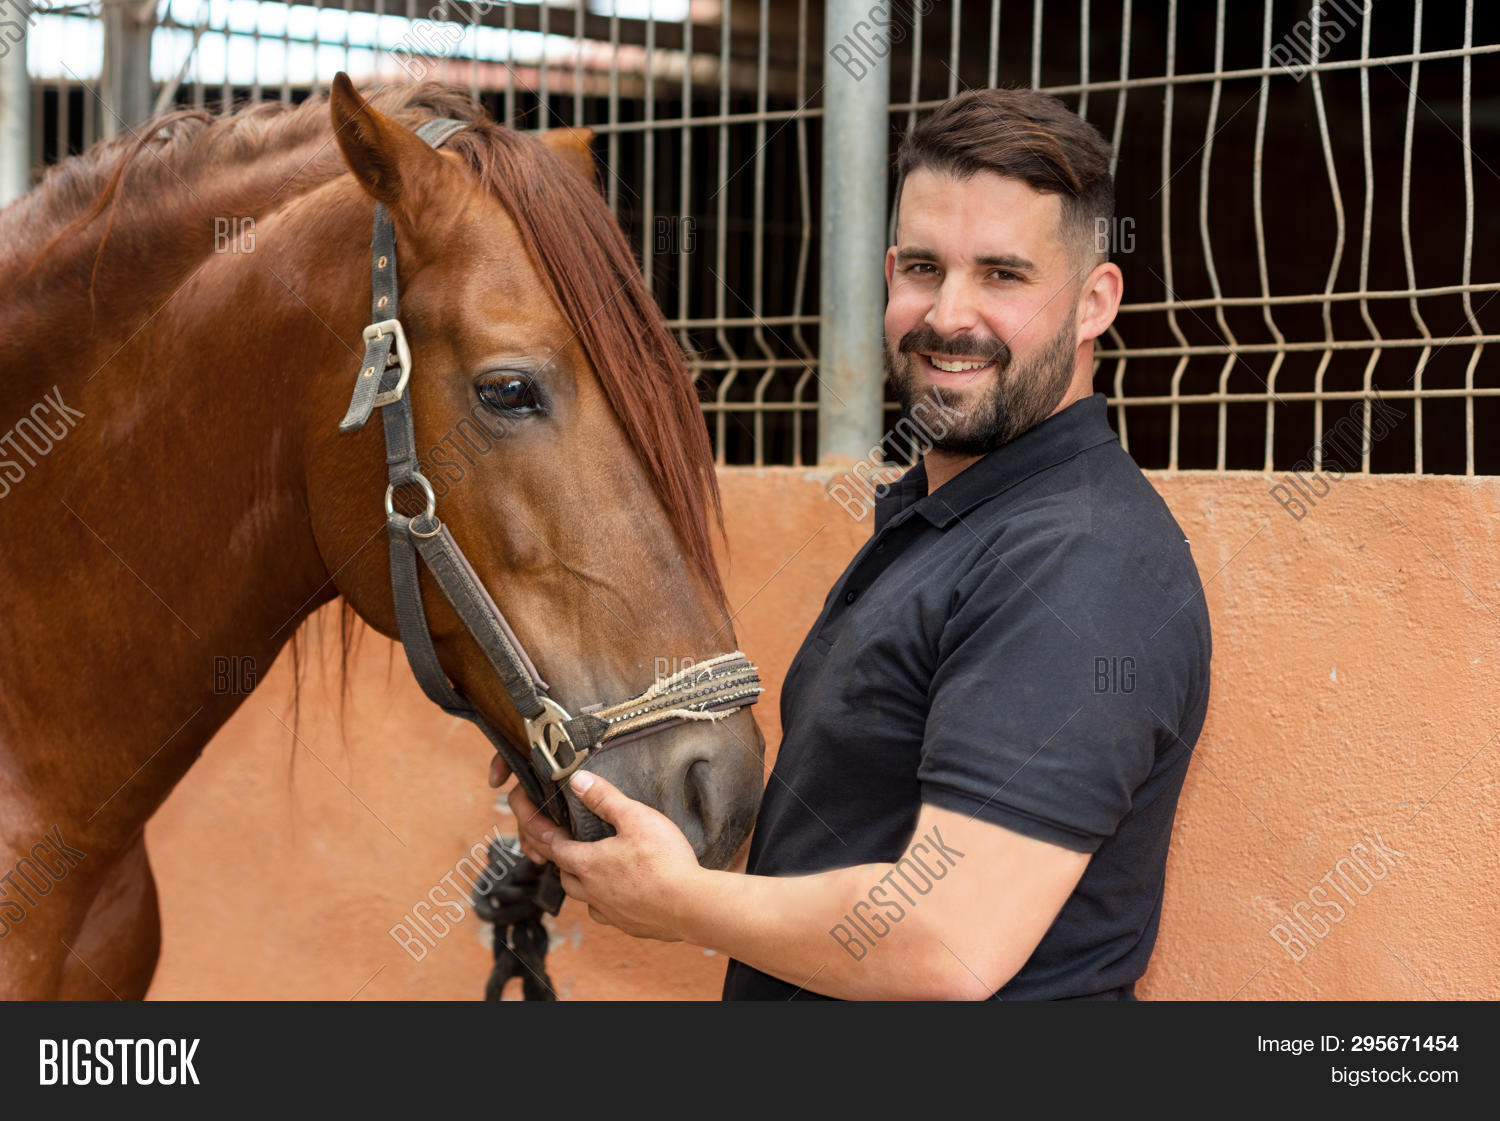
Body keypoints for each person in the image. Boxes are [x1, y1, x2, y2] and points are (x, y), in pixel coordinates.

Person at [495, 88, 1212, 1000]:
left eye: (1003, 275)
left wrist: (679, 903)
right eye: (923, 267)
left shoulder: (1082, 561)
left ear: (1093, 302)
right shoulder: (948, 523)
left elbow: (948, 943)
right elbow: (842, 836)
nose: (948, 315)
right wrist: (603, 796)